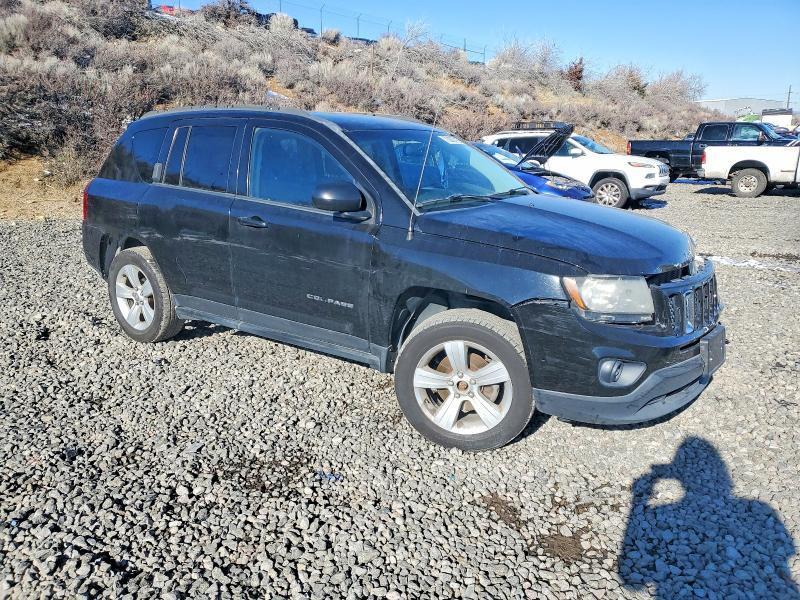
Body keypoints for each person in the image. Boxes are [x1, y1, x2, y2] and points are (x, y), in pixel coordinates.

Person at [619, 437, 799, 599]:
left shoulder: (663, 511)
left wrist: (638, 499)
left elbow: (632, 583)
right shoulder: (760, 509)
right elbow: (786, 551)